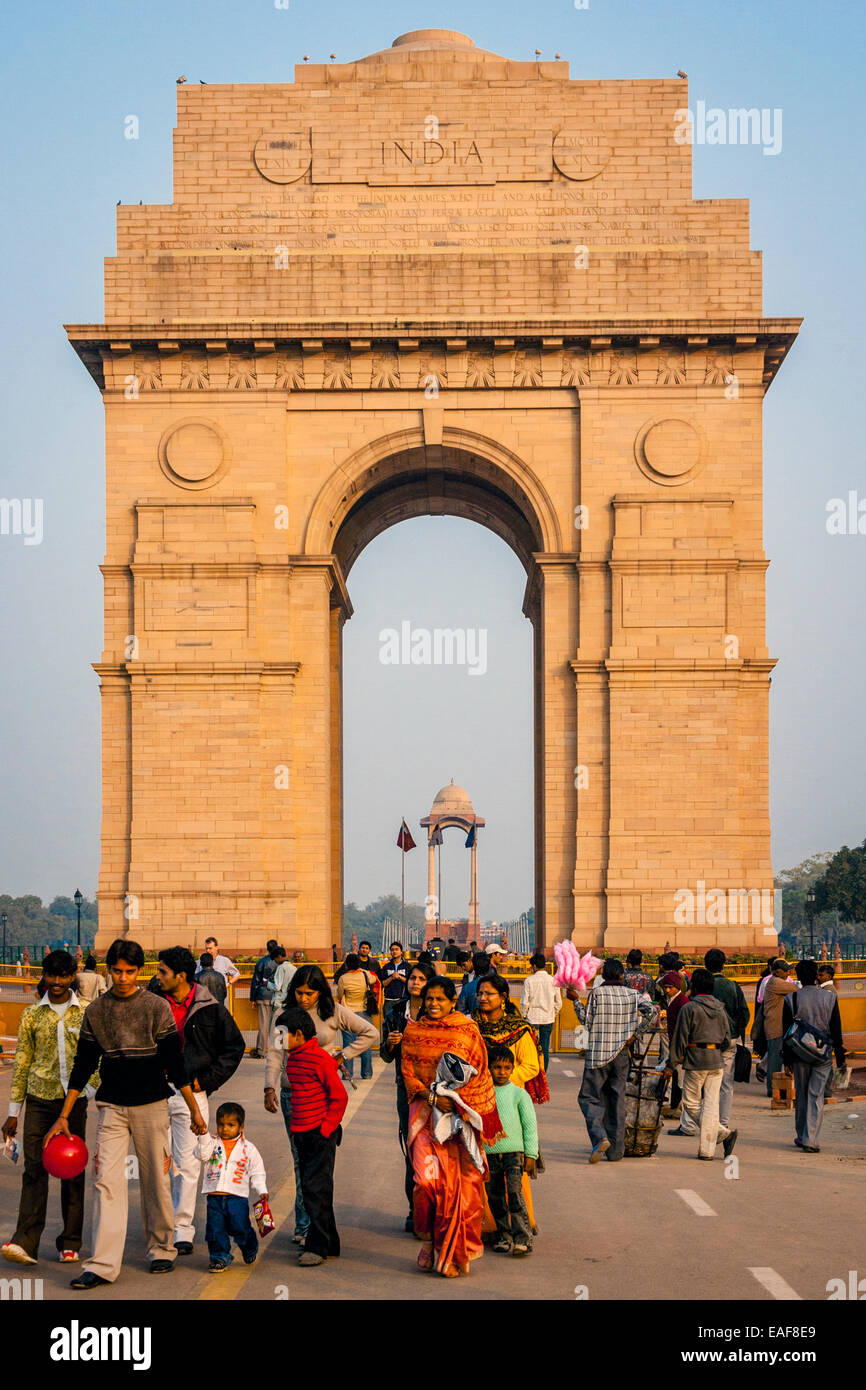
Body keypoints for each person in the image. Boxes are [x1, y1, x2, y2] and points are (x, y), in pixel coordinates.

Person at [43, 938, 207, 1289]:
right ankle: (102, 1264)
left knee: (156, 1181)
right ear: (108, 970)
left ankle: (162, 1248)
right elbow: (82, 1066)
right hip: (113, 1108)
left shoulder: (156, 1007)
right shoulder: (96, 1011)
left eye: (130, 972)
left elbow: (174, 1066)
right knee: (106, 1183)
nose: (122, 978)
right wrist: (64, 1116)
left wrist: (194, 1111)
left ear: (139, 971)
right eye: (116, 971)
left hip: (152, 1107)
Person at [263, 965, 376, 1246]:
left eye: (310, 993)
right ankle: (304, 1226)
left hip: (323, 1096)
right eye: (299, 993)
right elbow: (276, 1055)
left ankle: (319, 1227)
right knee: (300, 1161)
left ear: (320, 992)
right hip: (293, 1096)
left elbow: (370, 1032)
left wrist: (342, 1055)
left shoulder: (333, 1011)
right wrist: (269, 1086)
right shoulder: (283, 1016)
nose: (304, 999)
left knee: (320, 1167)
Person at [400, 976, 503, 1277]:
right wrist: (433, 1096)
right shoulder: (413, 1031)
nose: (433, 1004)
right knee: (425, 1184)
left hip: (458, 1122)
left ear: (452, 1001)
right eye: (429, 999)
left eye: (439, 999)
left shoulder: (467, 1031)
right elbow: (407, 1072)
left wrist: (456, 1103)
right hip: (424, 1117)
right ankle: (432, 1238)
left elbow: (481, 1073)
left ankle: (453, 1254)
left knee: (462, 1187)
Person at [2, 951, 99, 1267]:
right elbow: (22, 1063)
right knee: (34, 1171)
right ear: (44, 975)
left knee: (72, 1172)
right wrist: (14, 1112)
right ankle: (25, 1242)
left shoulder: (85, 1013)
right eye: (51, 976)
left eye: (63, 976)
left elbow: (96, 1059)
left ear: (74, 976)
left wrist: (87, 1090)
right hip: (39, 1101)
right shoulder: (32, 1015)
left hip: (72, 1105)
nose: (56, 983)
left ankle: (70, 1243)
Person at [155, 946, 245, 1255]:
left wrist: (205, 1081)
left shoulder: (209, 1006)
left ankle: (182, 1228)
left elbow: (234, 1046)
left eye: (162, 971)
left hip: (191, 1094)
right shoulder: (152, 1002)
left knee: (189, 1163)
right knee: (156, 1161)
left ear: (180, 976)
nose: (157, 976)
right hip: (154, 1091)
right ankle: (161, 1224)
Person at [278, 1006, 348, 1266]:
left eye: (282, 1035)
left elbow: (339, 1097)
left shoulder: (318, 1059)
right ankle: (329, 1242)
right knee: (314, 1189)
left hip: (320, 1135)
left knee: (315, 1189)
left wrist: (326, 1129)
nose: (278, 1041)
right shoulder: (294, 1058)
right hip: (302, 1134)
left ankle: (317, 1247)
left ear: (298, 1034)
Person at [568, 958, 655, 1163]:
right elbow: (652, 1011)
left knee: (588, 1098)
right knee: (617, 1100)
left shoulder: (597, 993)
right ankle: (615, 1151)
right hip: (621, 1054)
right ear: (622, 976)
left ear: (604, 976)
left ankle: (600, 1137)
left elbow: (586, 1021)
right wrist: (636, 1034)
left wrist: (575, 1000)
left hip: (598, 1054)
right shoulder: (632, 995)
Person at [380, 961, 435, 1230]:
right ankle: (415, 1210)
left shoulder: (436, 1011)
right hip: (407, 1090)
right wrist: (390, 1045)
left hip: (436, 1090)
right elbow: (384, 1055)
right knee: (412, 1147)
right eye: (413, 978)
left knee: (438, 1147)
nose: (415, 982)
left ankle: (439, 1207)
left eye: (422, 979)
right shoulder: (394, 1013)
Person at [665, 967, 738, 1161]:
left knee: (690, 1103)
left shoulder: (689, 1008)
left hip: (696, 1061)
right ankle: (709, 1148)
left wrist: (670, 1065)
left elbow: (679, 1040)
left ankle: (723, 1133)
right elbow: (726, 1038)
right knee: (711, 1105)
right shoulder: (720, 1008)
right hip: (716, 1061)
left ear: (693, 986)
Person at [782, 959, 846, 1152]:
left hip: (800, 1054)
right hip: (822, 1054)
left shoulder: (791, 999)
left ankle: (801, 1135)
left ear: (799, 977)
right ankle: (811, 1139)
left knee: (801, 1095)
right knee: (816, 1096)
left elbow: (786, 1032)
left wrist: (787, 1060)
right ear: (816, 975)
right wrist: (840, 1056)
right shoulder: (829, 998)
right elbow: (836, 1029)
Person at [195, 1101, 268, 1271]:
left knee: (239, 1226)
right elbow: (201, 1154)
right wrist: (204, 1136)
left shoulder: (248, 1148)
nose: (225, 1129)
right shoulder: (212, 1143)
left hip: (237, 1197)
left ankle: (249, 1244)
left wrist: (261, 1189)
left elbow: (257, 1171)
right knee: (215, 1229)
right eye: (221, 1124)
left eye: (230, 1125)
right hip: (214, 1196)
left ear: (241, 1126)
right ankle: (219, 1257)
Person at [484, 1044, 538, 1257]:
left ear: (513, 1068)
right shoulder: (483, 1093)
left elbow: (530, 1125)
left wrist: (531, 1155)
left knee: (515, 1194)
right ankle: (502, 1236)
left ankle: (523, 1238)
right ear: (488, 1067)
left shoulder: (519, 1094)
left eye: (507, 1068)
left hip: (514, 1153)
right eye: (497, 1067)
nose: (502, 1072)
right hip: (489, 1152)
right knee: (495, 1196)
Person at [474, 974, 549, 1102]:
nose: (482, 998)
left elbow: (531, 1067)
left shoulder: (518, 1028)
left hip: (509, 1095)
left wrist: (497, 1078)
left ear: (503, 997)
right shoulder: (471, 1025)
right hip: (476, 1094)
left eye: (488, 994)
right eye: (479, 993)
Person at [704, 948, 750, 1131]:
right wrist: (736, 1030)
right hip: (729, 1039)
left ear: (706, 965)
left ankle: (707, 1122)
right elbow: (744, 1013)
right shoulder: (733, 986)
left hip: (706, 1040)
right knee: (725, 1084)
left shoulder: (704, 986)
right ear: (723, 965)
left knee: (706, 1082)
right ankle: (723, 1124)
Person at [335, 952, 378, 1080]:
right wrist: (362, 970)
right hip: (363, 1011)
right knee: (365, 1042)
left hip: (347, 1013)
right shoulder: (365, 975)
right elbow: (374, 979)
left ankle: (348, 1073)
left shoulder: (343, 978)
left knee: (348, 1044)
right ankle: (367, 1073)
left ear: (346, 964)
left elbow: (339, 995)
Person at [761, 959, 799, 1097]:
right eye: (786, 970)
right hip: (774, 1026)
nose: (788, 972)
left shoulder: (775, 981)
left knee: (776, 1056)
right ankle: (772, 1089)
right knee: (774, 1059)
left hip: (776, 1025)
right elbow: (796, 989)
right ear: (778, 971)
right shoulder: (776, 982)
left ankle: (775, 1087)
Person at [521, 952, 562, 1069]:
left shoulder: (529, 980)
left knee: (531, 1049)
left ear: (534, 966)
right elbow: (558, 1002)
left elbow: (524, 1002)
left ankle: (532, 1074)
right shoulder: (553, 980)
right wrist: (553, 1013)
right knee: (544, 1049)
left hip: (532, 1018)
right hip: (548, 1018)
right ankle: (543, 1074)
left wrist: (524, 1015)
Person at [658, 971, 688, 1118]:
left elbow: (683, 1029)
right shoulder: (673, 1000)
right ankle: (675, 1105)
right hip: (673, 1044)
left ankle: (681, 1108)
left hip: (679, 1046)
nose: (667, 990)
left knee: (681, 1079)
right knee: (676, 1076)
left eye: (670, 987)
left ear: (677, 986)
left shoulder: (682, 1002)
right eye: (666, 987)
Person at [249, 940, 280, 1058]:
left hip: (262, 995)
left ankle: (261, 1051)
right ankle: (278, 1051)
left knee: (263, 1025)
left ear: (267, 949)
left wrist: (252, 998)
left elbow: (255, 981)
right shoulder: (280, 962)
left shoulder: (261, 962)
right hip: (276, 995)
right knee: (278, 1024)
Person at [380, 940, 410, 1006]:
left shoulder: (407, 966)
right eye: (392, 950)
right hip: (389, 1000)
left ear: (401, 952)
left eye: (397, 949)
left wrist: (399, 977)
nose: (394, 951)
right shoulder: (386, 967)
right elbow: (383, 983)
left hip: (403, 999)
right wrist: (391, 978)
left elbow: (410, 982)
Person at [271, 947, 296, 1016]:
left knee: (274, 1024)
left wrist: (267, 983)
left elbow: (277, 987)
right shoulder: (294, 968)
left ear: (279, 956)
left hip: (279, 1003)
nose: (275, 961)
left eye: (275, 959)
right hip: (289, 1001)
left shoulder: (281, 967)